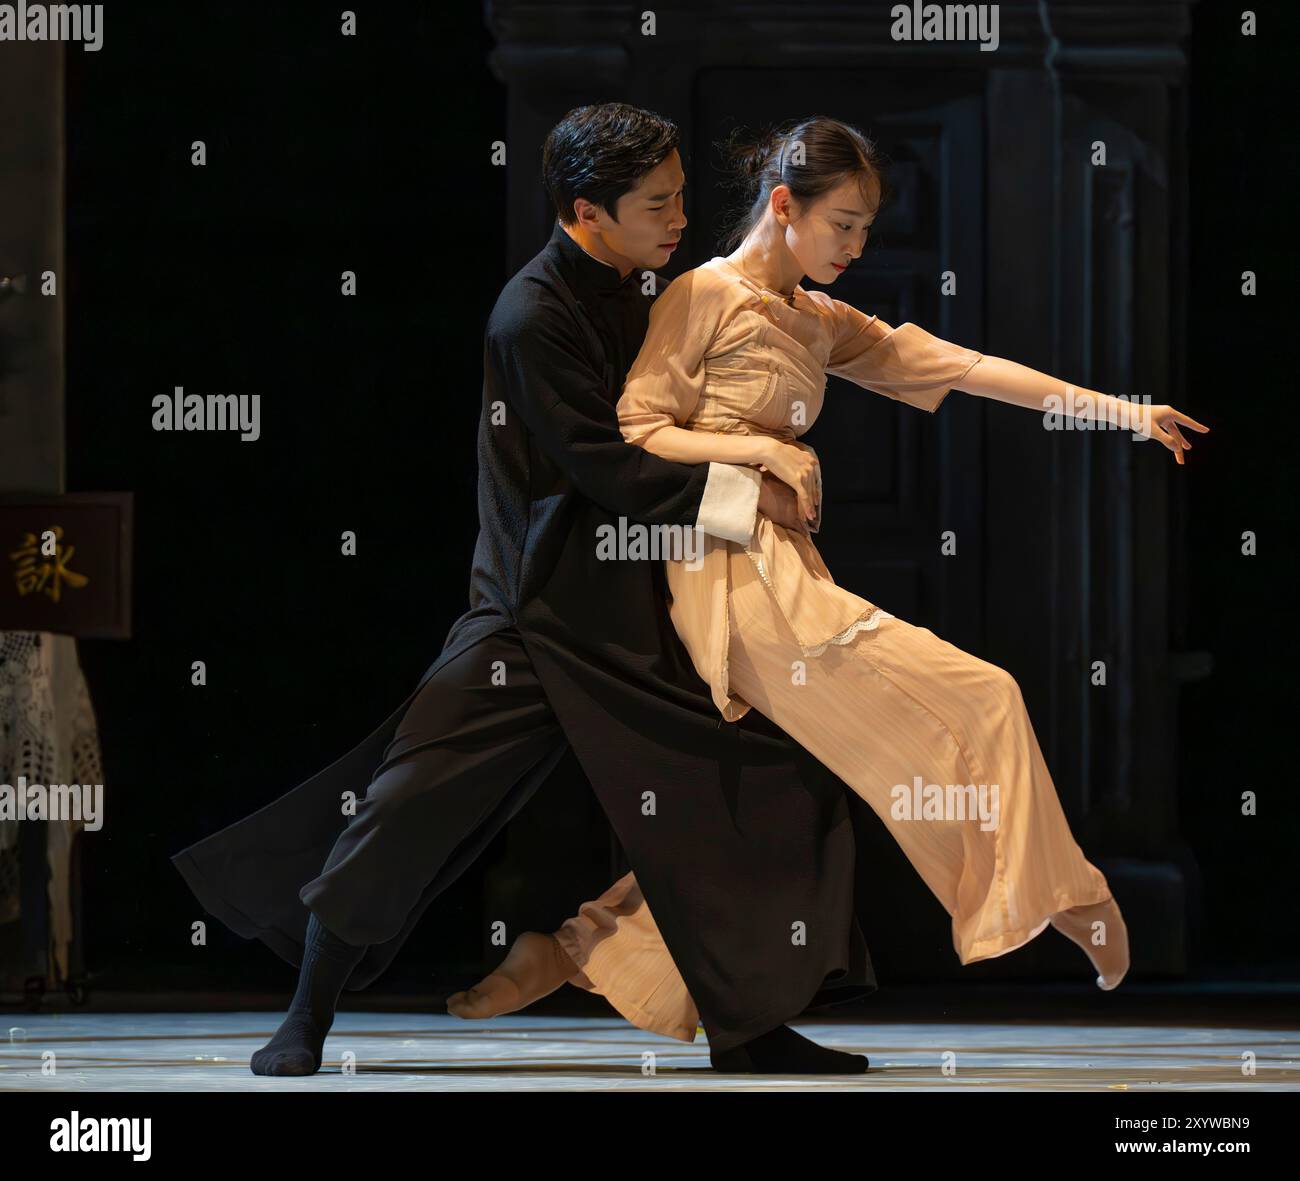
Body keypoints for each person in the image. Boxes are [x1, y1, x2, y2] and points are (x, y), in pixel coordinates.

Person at [171, 104, 882, 1078]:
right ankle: (305, 1014)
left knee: (753, 784)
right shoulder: (532, 313)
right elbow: (603, 462)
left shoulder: (644, 292)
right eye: (657, 203)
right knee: (406, 804)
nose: (679, 218)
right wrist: (746, 482)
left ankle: (748, 1025)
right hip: (534, 610)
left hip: (637, 611)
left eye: (680, 196)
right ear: (588, 211)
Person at [451, 115, 1212, 1024]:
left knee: (767, 813)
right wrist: (762, 455)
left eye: (865, 227)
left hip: (783, 570)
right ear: (785, 205)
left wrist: (1123, 414)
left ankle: (572, 954)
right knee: (983, 695)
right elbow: (638, 429)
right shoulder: (703, 295)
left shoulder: (816, 319)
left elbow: (962, 368)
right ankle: (1066, 894)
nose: (856, 245)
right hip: (730, 579)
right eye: (843, 223)